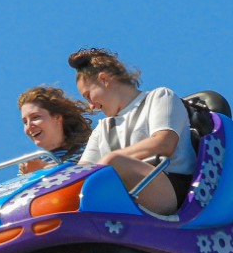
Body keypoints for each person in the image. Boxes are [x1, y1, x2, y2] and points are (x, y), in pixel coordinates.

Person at [70, 48, 196, 215]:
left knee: (112, 161)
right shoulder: (102, 128)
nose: (91, 106)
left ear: (104, 79)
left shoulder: (159, 97)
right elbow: (82, 172)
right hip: (126, 195)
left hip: (170, 189)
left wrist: (109, 161)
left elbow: (164, 143)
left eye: (88, 96)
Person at [16, 86, 92, 173]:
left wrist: (44, 168)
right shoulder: (33, 165)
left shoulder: (90, 147)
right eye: (25, 122)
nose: (29, 126)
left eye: (35, 117)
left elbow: (84, 173)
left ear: (57, 118)